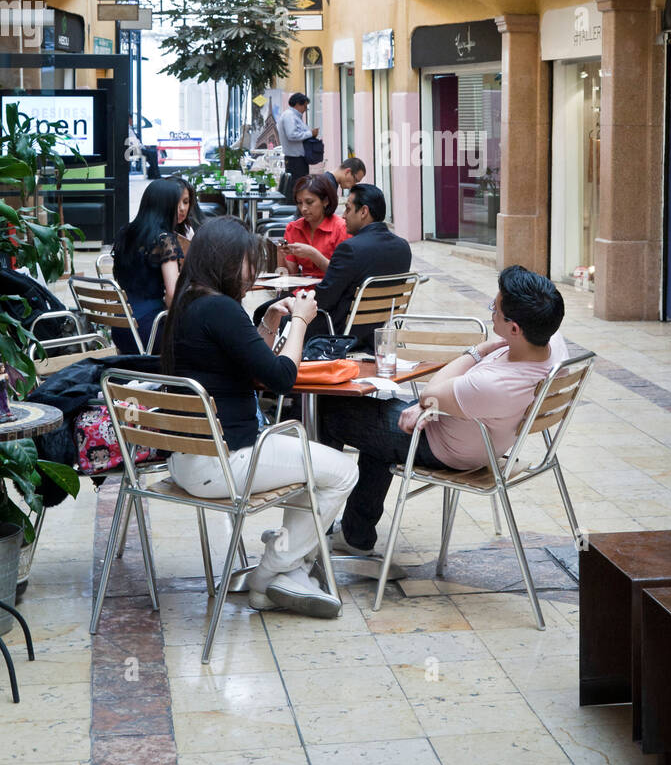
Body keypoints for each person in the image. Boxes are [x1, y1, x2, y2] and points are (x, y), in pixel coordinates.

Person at [161, 217, 358, 617]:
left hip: (188, 458)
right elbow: (282, 378)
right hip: (223, 462)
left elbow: (253, 370)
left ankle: (291, 569)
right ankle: (270, 574)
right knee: (342, 473)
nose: (254, 273)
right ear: (228, 262)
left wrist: (269, 323)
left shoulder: (188, 303)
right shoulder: (220, 308)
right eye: (250, 263)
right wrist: (302, 320)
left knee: (310, 475)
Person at [318, 266, 569, 556]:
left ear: (515, 329)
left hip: (445, 448)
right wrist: (425, 409)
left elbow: (430, 393)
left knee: (328, 409)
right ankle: (356, 534)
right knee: (377, 429)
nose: (491, 312)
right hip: (470, 432)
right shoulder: (552, 342)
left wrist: (479, 351)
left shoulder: (494, 384)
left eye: (495, 309)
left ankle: (315, 529)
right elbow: (433, 401)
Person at [300, 183, 411, 349]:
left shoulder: (350, 249)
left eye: (348, 209)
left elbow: (323, 300)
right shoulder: (403, 247)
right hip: (378, 333)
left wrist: (299, 301)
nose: (343, 216)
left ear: (364, 212)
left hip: (339, 333)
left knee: (277, 315)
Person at [111, 178, 185, 353]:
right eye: (177, 203)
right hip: (149, 331)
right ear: (165, 206)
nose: (181, 209)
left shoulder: (126, 233)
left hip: (120, 327)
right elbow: (173, 293)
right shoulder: (164, 239)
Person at [280, 175, 348, 277]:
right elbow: (289, 276)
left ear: (325, 201)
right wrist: (280, 255)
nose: (303, 208)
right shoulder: (294, 228)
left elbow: (343, 273)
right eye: (299, 203)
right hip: (302, 290)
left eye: (309, 202)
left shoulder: (341, 228)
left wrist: (313, 254)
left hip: (332, 289)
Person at [277, 92, 318, 191]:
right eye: (305, 106)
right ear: (298, 104)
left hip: (298, 159)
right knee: (298, 187)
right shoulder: (289, 116)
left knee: (300, 186)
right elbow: (292, 135)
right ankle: (295, 205)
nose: (305, 110)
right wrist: (310, 134)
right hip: (295, 159)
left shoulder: (293, 116)